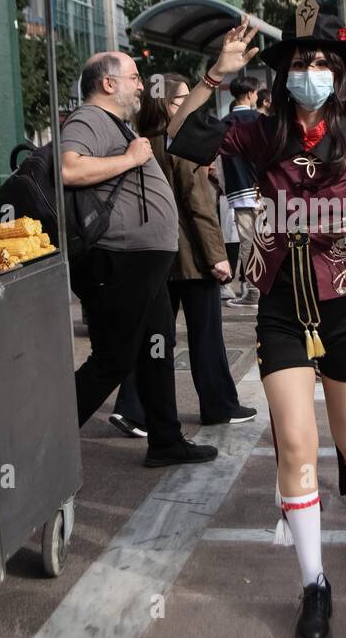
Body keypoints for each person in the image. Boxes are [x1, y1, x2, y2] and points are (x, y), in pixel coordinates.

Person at [166, 6, 346, 638]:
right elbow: (183, 142)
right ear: (281, 73)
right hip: (280, 305)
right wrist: (215, 77)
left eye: (322, 64)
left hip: (343, 305)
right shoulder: (257, 133)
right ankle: (314, 583)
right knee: (297, 449)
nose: (310, 73)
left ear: (339, 76)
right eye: (300, 63)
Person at [62, 52, 218, 467]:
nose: (141, 86)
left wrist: (215, 75)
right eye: (133, 77)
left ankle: (165, 439)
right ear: (108, 84)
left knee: (156, 347)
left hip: (145, 261)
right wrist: (131, 159)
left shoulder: (114, 122)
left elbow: (181, 116)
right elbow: (69, 169)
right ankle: (46, 442)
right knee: (113, 358)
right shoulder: (88, 119)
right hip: (123, 259)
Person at [108, 74, 257, 433]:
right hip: (191, 255)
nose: (191, 107)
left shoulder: (141, 142)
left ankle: (132, 407)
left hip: (156, 255)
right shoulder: (182, 143)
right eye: (182, 101)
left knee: (154, 334)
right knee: (205, 334)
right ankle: (219, 404)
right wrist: (218, 256)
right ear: (166, 105)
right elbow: (198, 203)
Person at [222, 75, 263, 308]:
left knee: (248, 243)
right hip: (264, 190)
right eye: (256, 93)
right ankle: (269, 290)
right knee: (270, 240)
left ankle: (254, 291)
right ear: (249, 94)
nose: (257, 96)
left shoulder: (225, 123)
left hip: (238, 190)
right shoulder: (260, 120)